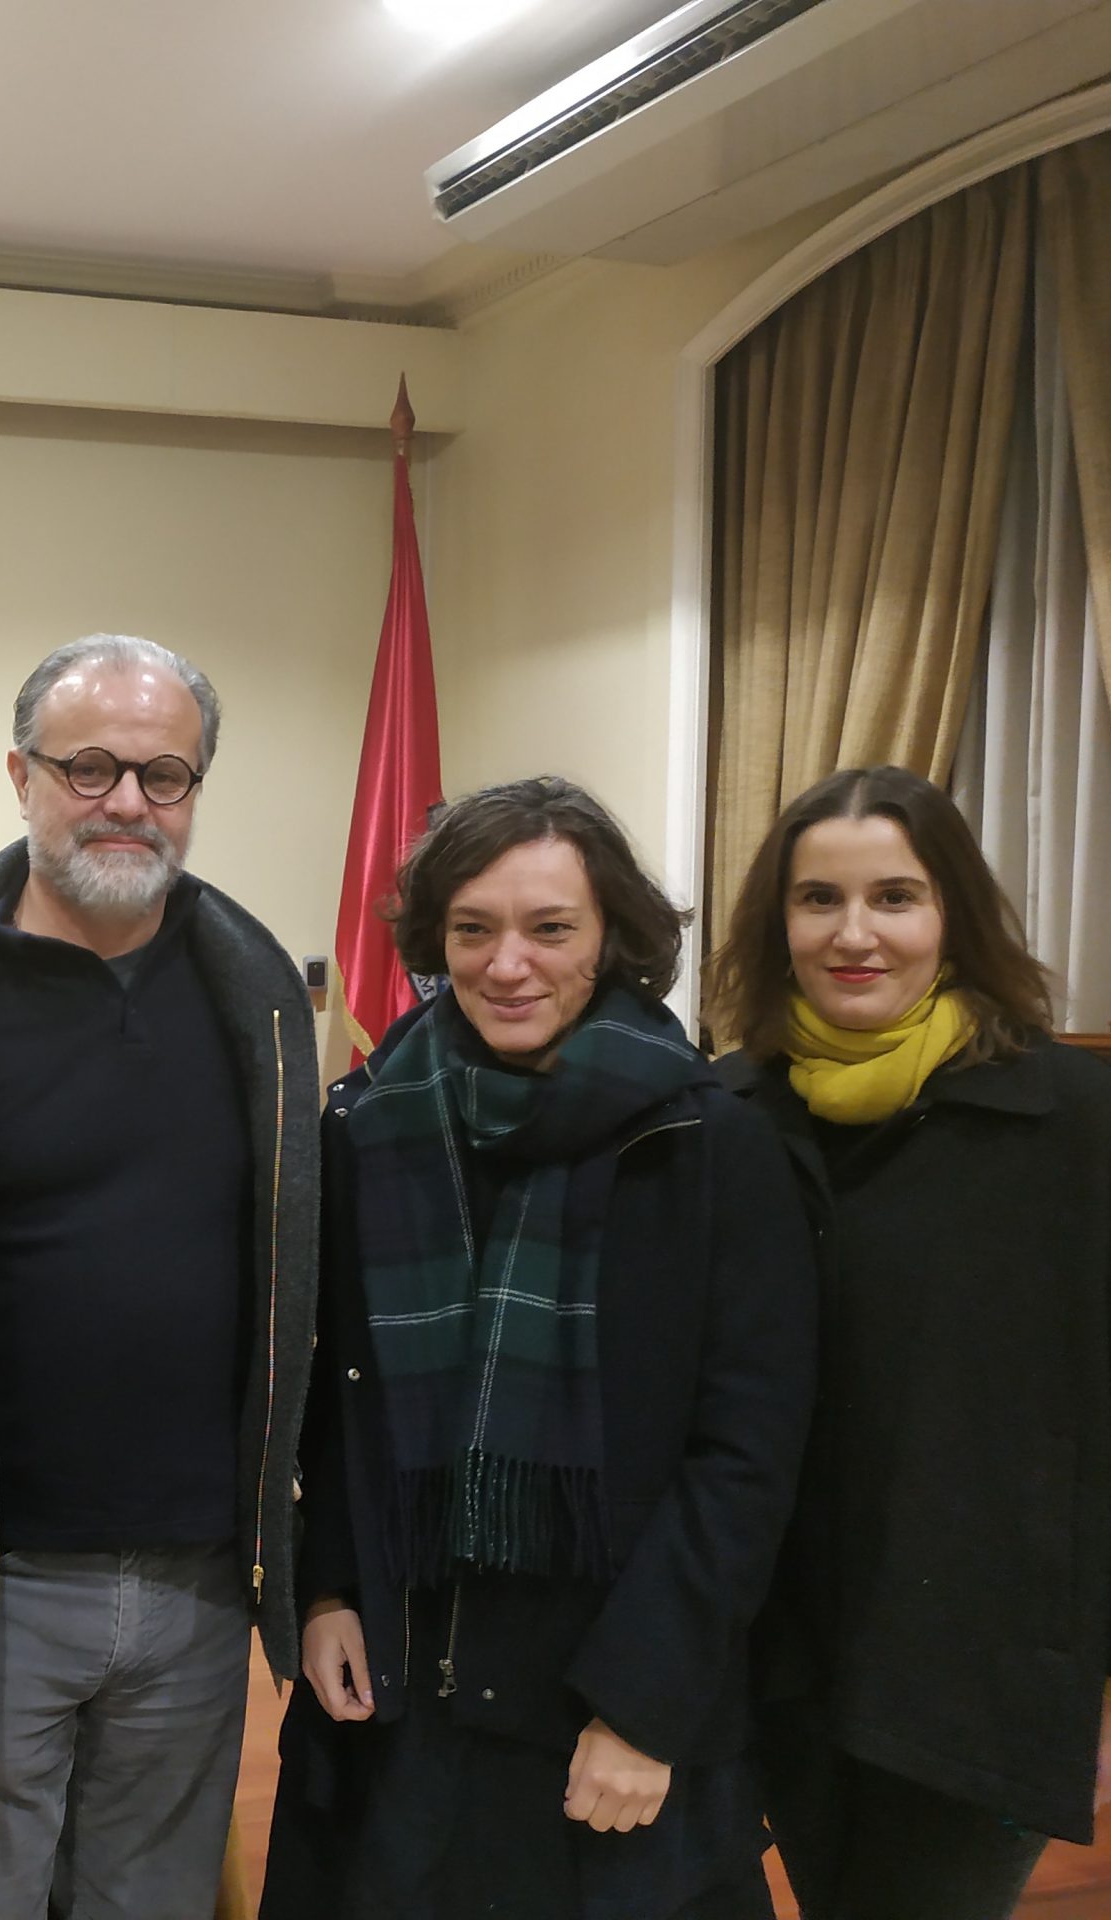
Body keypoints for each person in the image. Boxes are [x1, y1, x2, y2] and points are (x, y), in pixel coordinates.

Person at [0, 633, 321, 1917]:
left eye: (165, 774)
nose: (128, 802)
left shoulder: (259, 1003)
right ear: (19, 776)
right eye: (88, 766)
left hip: (200, 1588)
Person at [267, 775, 818, 1920]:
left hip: (601, 1723)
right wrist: (322, 1590)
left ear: (611, 938)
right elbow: (334, 1396)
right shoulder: (365, 1126)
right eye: (472, 929)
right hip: (401, 1710)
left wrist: (644, 1708)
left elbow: (744, 1460)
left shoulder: (710, 1143)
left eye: (549, 928)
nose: (506, 963)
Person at [707, 765, 1111, 1919]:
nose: (854, 935)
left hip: (989, 1670)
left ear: (950, 913)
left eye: (893, 897)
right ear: (776, 921)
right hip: (783, 1662)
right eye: (818, 900)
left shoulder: (1076, 1120)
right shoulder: (726, 1117)